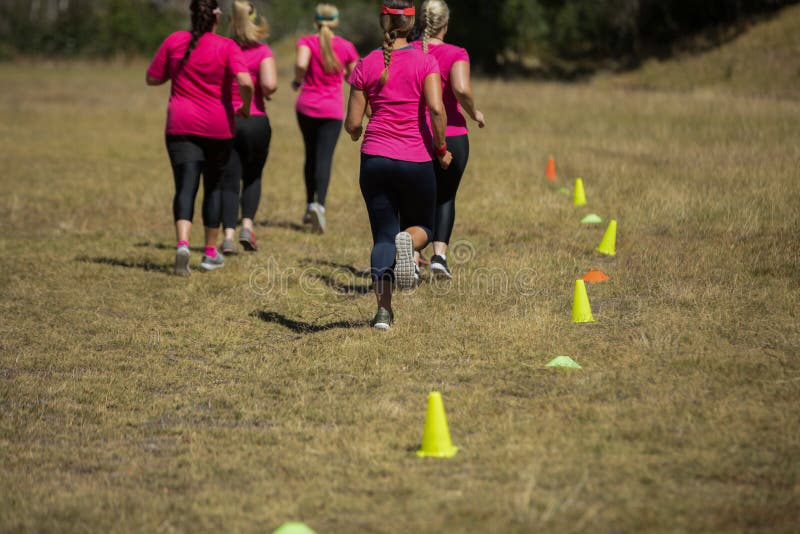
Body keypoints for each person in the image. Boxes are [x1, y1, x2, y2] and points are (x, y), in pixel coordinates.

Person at [345, 0, 452, 330]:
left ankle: (383, 313)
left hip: (375, 158)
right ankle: (409, 239)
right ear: (411, 24)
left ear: (382, 22)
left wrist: (360, 129)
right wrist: (441, 147)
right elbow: (436, 109)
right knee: (425, 227)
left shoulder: (366, 64)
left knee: (381, 238)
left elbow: (351, 124)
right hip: (416, 158)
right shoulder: (425, 60)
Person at [146, 0, 253, 276]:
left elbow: (152, 78)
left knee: (185, 187)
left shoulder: (174, 41)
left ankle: (182, 244)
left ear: (193, 16)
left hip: (180, 126)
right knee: (214, 187)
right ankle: (208, 253)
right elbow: (246, 82)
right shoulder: (227, 47)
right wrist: (244, 106)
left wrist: (176, 71)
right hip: (219, 128)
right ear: (216, 19)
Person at [412, 0, 485, 279]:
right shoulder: (457, 53)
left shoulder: (407, 50)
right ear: (445, 24)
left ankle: (414, 256)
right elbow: (461, 88)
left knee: (414, 198)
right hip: (452, 134)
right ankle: (439, 256)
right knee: (445, 197)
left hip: (415, 134)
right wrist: (474, 111)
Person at [292, 3, 360, 233]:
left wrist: (297, 80)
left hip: (306, 107)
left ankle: (310, 203)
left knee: (309, 154)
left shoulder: (307, 42)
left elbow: (301, 64)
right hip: (331, 110)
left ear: (316, 21)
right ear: (336, 22)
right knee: (324, 158)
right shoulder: (346, 46)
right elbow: (355, 75)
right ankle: (319, 206)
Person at [220, 0, 278, 254]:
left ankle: (228, 237)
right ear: (253, 19)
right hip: (255, 120)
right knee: (253, 176)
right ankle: (246, 226)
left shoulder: (223, 47)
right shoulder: (262, 51)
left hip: (227, 120)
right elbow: (269, 84)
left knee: (229, 180)